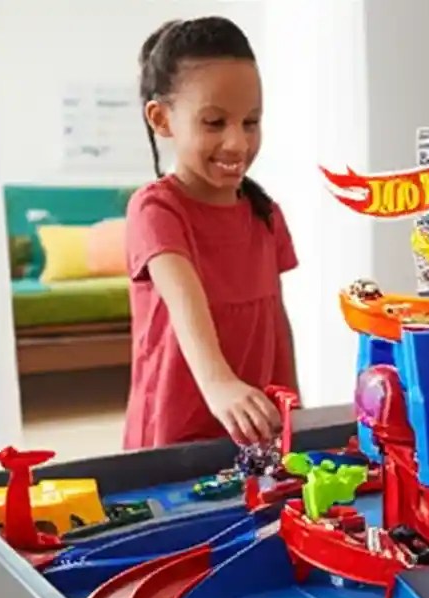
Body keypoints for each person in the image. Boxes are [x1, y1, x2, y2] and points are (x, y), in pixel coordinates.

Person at [122, 17, 298, 451]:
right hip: (171, 438)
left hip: (252, 431)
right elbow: (185, 303)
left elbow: (276, 323)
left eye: (251, 122)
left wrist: (295, 411)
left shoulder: (265, 215)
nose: (237, 143)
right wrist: (220, 383)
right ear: (161, 119)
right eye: (215, 122)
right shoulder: (156, 209)